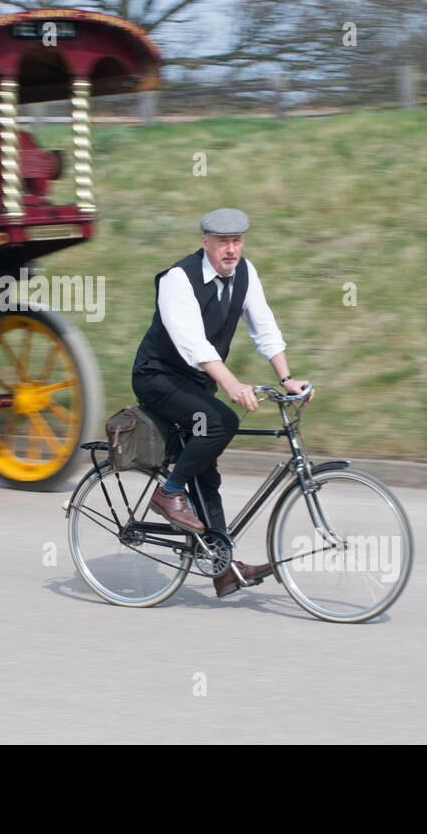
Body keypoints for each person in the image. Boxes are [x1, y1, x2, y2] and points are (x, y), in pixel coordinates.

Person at [131, 208, 314, 598]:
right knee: (221, 422)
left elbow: (264, 328)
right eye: (222, 242)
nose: (231, 249)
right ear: (205, 242)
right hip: (158, 377)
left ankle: (222, 565)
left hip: (196, 382)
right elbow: (192, 343)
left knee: (207, 470)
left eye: (237, 241)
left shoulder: (245, 274)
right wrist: (231, 384)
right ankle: (168, 493)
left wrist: (286, 378)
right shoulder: (179, 280)